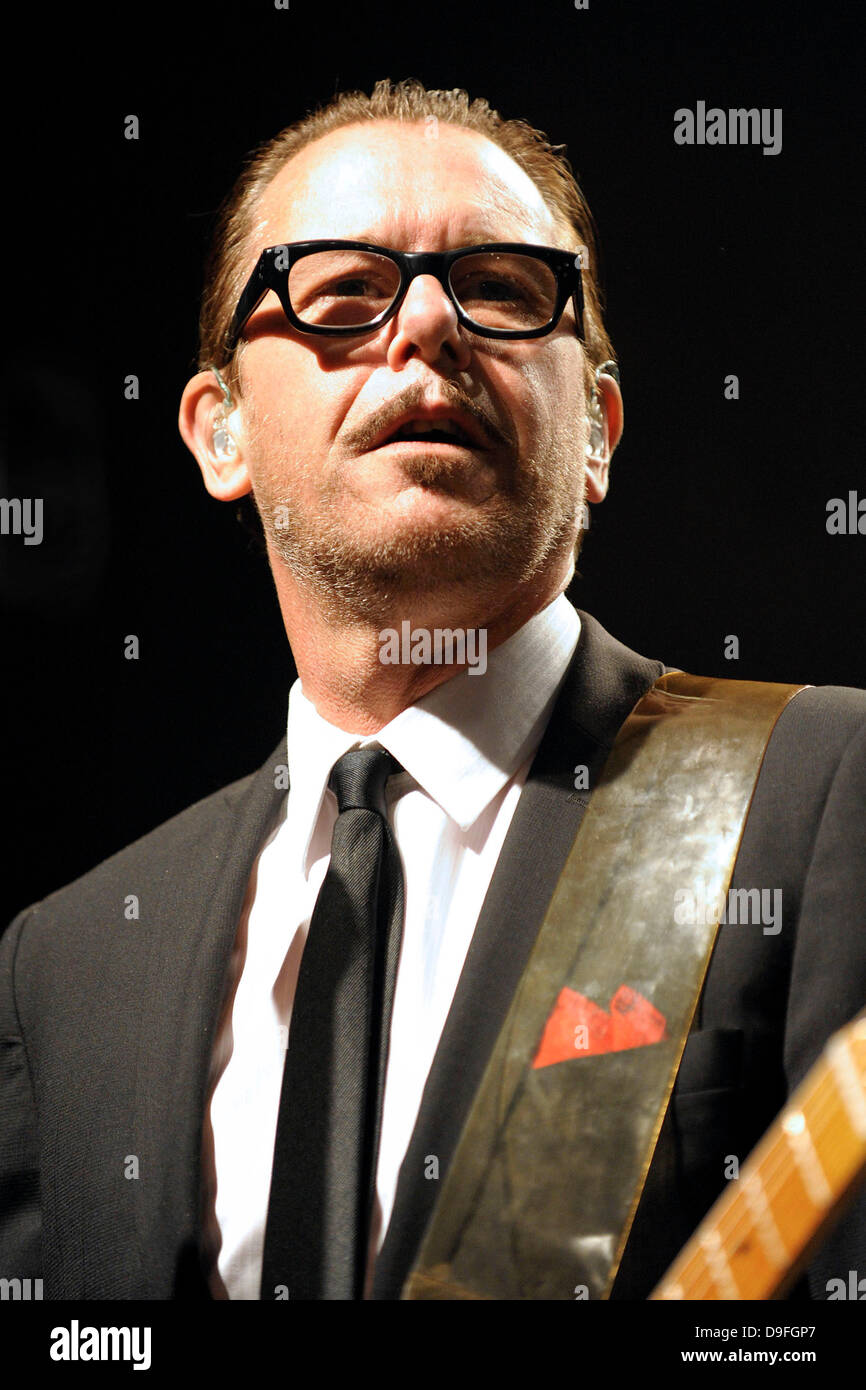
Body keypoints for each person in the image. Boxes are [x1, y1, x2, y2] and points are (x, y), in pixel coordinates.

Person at [1, 79, 864, 1303]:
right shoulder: (68, 962)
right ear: (219, 433)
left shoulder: (823, 791)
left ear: (599, 436)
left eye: (503, 291)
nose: (424, 327)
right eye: (342, 292)